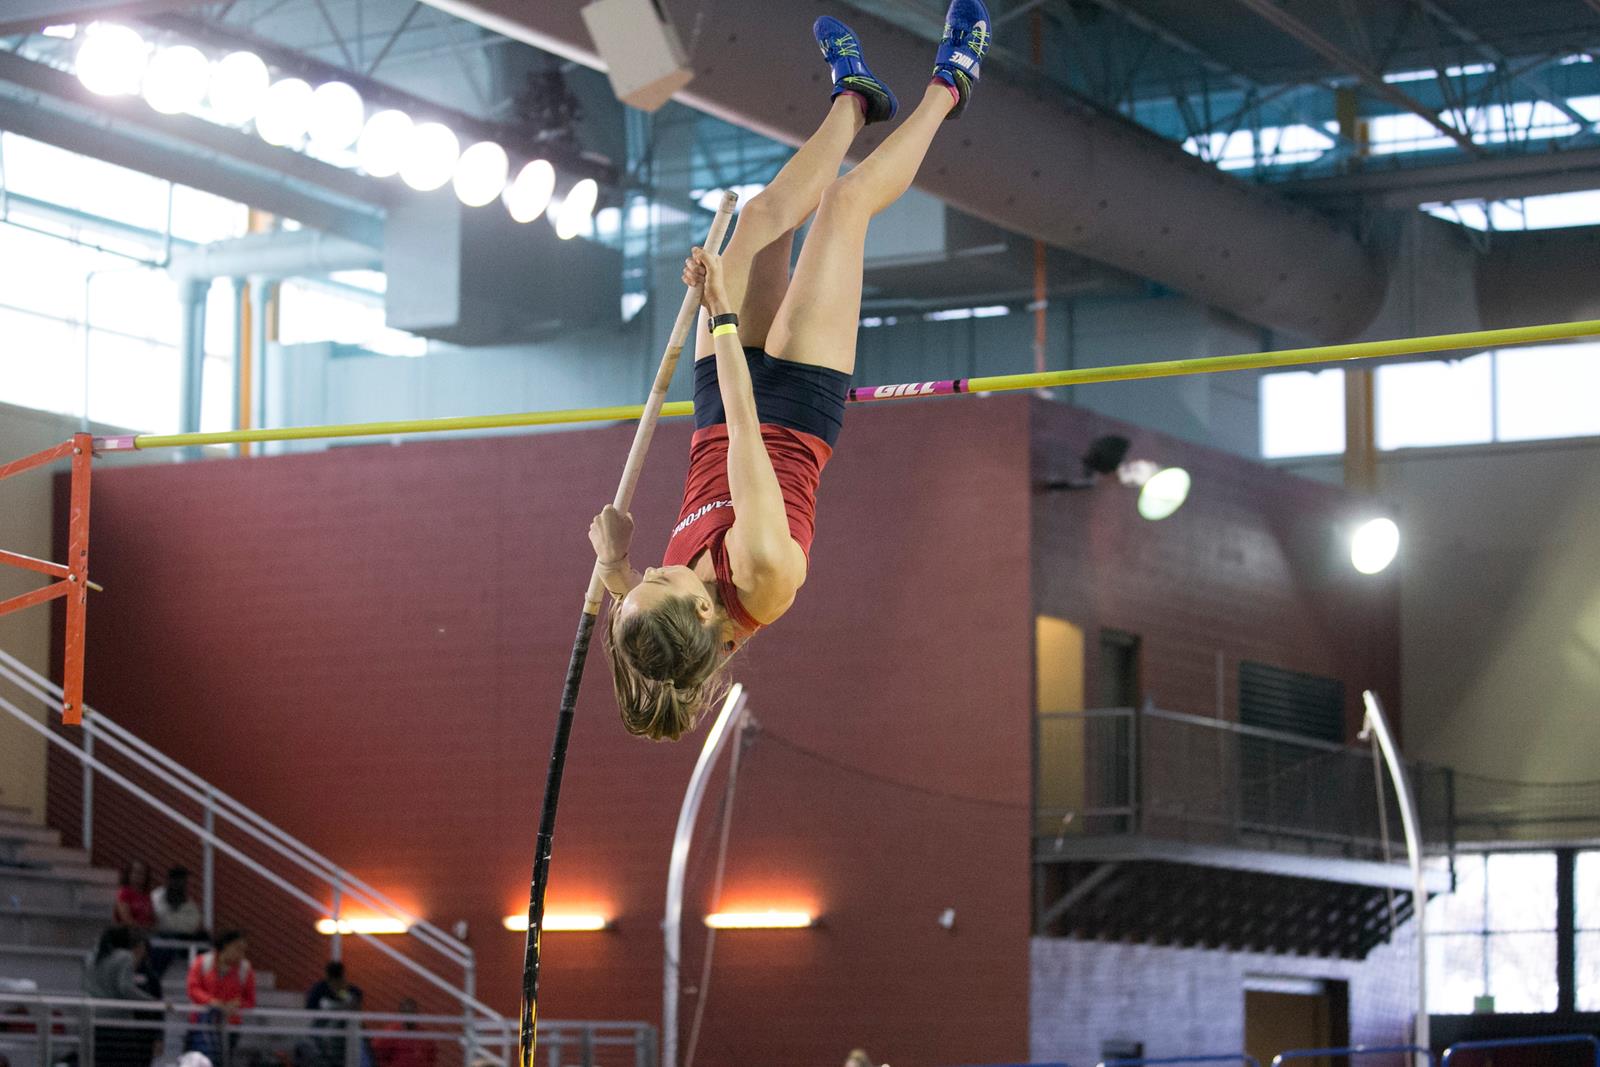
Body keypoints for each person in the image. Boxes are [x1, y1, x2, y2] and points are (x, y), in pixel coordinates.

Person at [593, 0, 992, 740]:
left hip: (720, 403)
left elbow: (635, 607)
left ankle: (855, 100)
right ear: (708, 610)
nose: (651, 570)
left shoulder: (672, 615)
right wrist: (720, 313)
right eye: (659, 576)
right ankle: (952, 81)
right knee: (843, 208)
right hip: (788, 411)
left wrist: (616, 564)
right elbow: (748, 440)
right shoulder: (764, 574)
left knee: (764, 219)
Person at [85, 926, 158, 1067]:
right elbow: (125, 988)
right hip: (118, 1023)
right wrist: (151, 1002)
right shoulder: (124, 957)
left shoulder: (91, 956)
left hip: (94, 1020)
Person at [184, 930, 255, 1059]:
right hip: (200, 1024)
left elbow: (250, 1000)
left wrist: (237, 1005)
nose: (241, 954)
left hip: (230, 1026)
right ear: (226, 946)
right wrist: (212, 1002)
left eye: (244, 951)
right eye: (238, 949)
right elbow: (192, 989)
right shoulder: (202, 962)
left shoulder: (245, 969)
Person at [304, 962, 364, 1067]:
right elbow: (310, 1007)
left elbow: (355, 1003)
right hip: (324, 1028)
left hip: (343, 1029)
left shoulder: (345, 989)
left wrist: (341, 993)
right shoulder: (321, 988)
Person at [151, 867, 207, 978]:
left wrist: (177, 924)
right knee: (164, 945)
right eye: (177, 880)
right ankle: (155, 978)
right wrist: (180, 924)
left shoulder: (189, 903)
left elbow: (193, 925)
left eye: (183, 882)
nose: (180, 884)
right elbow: (161, 919)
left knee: (206, 939)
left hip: (182, 937)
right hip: (162, 936)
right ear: (169, 880)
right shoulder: (157, 896)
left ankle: (202, 978)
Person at [369, 999, 435, 1067]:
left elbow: (431, 1058)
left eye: (413, 1013)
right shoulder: (389, 1034)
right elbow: (373, 1053)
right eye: (407, 1014)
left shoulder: (425, 1037)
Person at [113, 861, 155, 929]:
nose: (138, 876)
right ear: (129, 874)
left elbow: (152, 918)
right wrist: (143, 929)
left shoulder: (149, 895)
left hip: (147, 933)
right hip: (128, 933)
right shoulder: (124, 893)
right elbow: (126, 920)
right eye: (135, 872)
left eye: (142, 873)